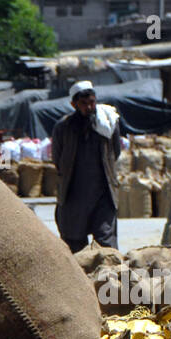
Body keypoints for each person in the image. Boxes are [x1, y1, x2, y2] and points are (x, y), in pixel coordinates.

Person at [51, 80, 122, 253]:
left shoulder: (108, 124)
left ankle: (109, 280)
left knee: (106, 243)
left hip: (103, 193)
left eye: (92, 102)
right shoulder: (64, 127)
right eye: (84, 104)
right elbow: (57, 158)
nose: (89, 107)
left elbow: (115, 152)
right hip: (73, 194)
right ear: (73, 105)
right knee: (74, 243)